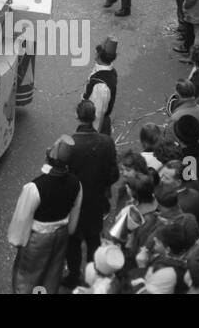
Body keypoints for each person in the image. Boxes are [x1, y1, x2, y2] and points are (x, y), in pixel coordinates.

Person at [7, 136, 82, 294]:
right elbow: (75, 212)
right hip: (61, 235)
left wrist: (17, 240)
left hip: (38, 239)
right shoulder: (76, 183)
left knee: (27, 278)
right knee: (52, 275)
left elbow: (21, 219)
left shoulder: (34, 187)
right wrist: (68, 231)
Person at [64, 101, 118, 289]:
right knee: (94, 238)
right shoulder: (107, 142)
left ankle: (73, 275)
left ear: (77, 116)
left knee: (73, 241)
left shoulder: (70, 143)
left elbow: (64, 176)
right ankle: (92, 276)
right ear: (95, 116)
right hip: (97, 200)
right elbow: (114, 174)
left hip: (74, 202)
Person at [82, 37, 120, 135]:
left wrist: (93, 135)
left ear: (99, 55)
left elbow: (98, 115)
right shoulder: (107, 70)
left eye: (97, 51)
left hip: (94, 126)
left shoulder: (101, 87)